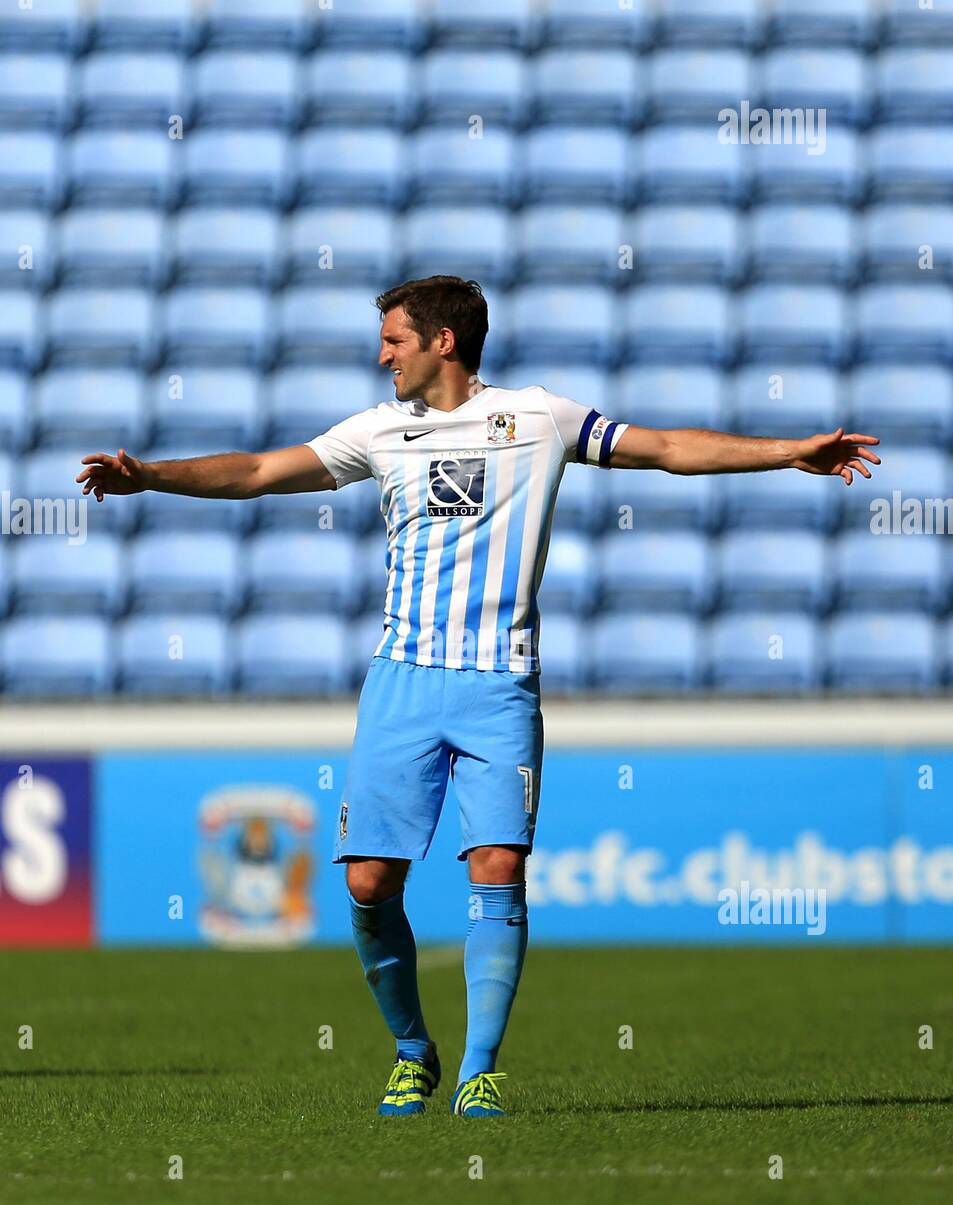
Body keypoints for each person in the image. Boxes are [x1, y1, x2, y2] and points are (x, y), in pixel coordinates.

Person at [77, 274, 880, 1117]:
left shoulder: (537, 418)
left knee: (496, 865)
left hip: (499, 684)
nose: (381, 353)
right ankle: (412, 1050)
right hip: (403, 680)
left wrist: (787, 450)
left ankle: (479, 1069)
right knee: (367, 884)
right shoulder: (379, 432)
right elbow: (257, 470)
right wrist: (153, 476)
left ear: (442, 342)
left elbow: (668, 448)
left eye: (393, 338)